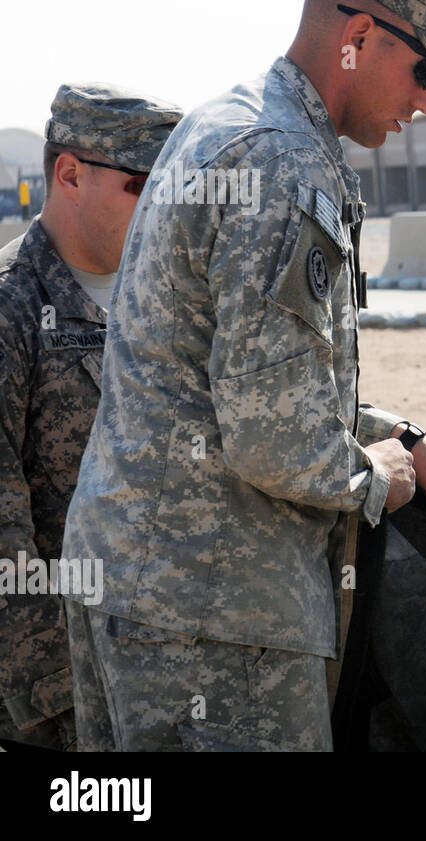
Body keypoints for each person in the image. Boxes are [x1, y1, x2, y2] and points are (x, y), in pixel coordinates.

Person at [60, 0, 426, 751]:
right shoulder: (281, 163)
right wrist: (380, 475)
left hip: (140, 587)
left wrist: (397, 434)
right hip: (218, 617)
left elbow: (216, 373)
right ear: (360, 35)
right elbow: (271, 438)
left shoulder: (225, 124)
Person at [0, 84, 181, 751]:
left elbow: (251, 412)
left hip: (159, 681)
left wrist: (396, 437)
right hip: (60, 710)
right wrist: (65, 703)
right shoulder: (12, 307)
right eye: (143, 186)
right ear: (71, 174)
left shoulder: (161, 304)